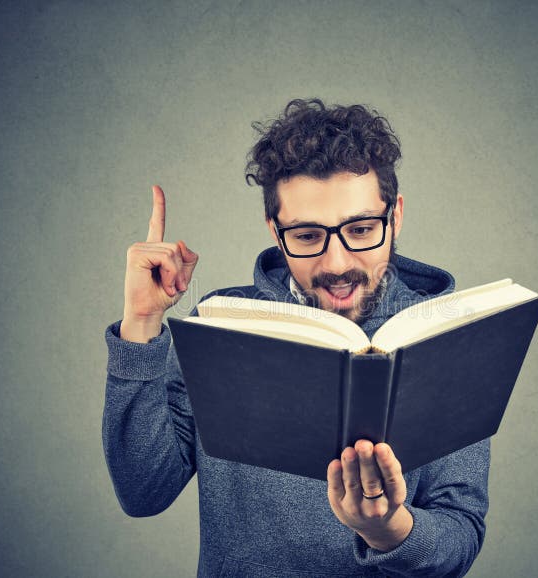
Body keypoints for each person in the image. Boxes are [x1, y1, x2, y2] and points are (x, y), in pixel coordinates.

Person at [103, 99, 490, 577]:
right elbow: (144, 491)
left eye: (362, 229)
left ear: (397, 217)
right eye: (307, 237)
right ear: (275, 229)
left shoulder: (448, 337)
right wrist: (139, 323)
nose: (336, 264)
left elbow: (462, 533)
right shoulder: (221, 328)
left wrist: (389, 529)